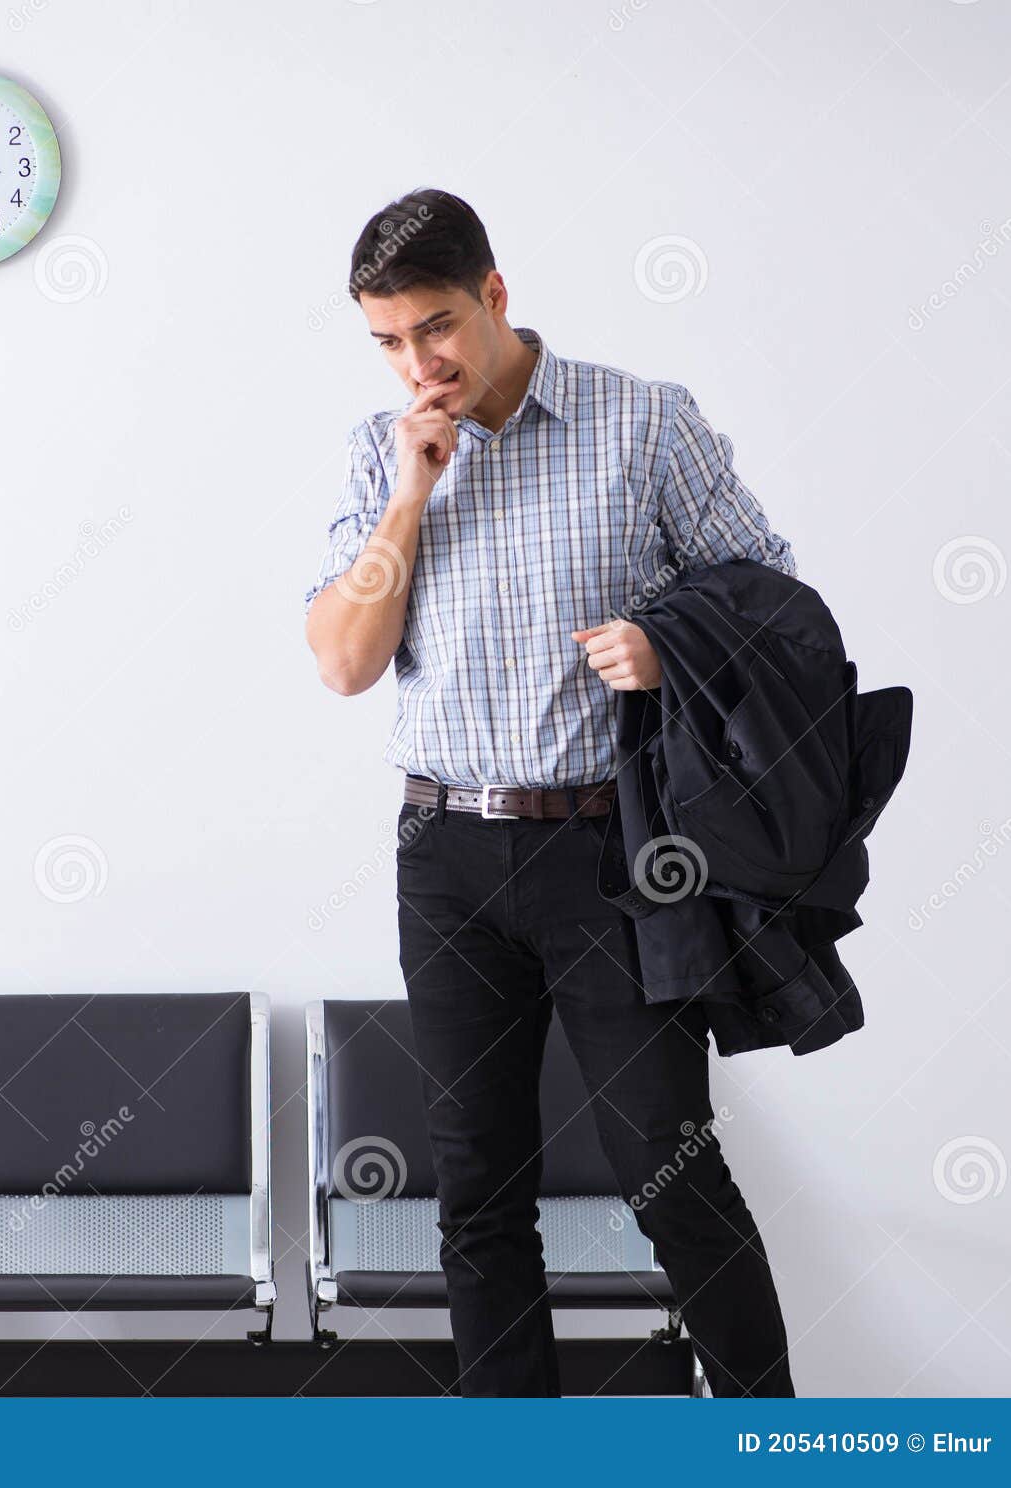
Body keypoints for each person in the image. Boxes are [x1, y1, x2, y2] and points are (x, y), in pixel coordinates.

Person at [303, 188, 798, 1398]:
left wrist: (667, 642)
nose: (418, 363)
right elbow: (342, 662)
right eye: (388, 341)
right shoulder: (382, 450)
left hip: (607, 859)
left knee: (668, 1171)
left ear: (496, 296)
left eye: (436, 327)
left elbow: (777, 605)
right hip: (445, 855)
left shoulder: (642, 424)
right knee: (476, 1191)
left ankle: (771, 1445)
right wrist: (413, 493)